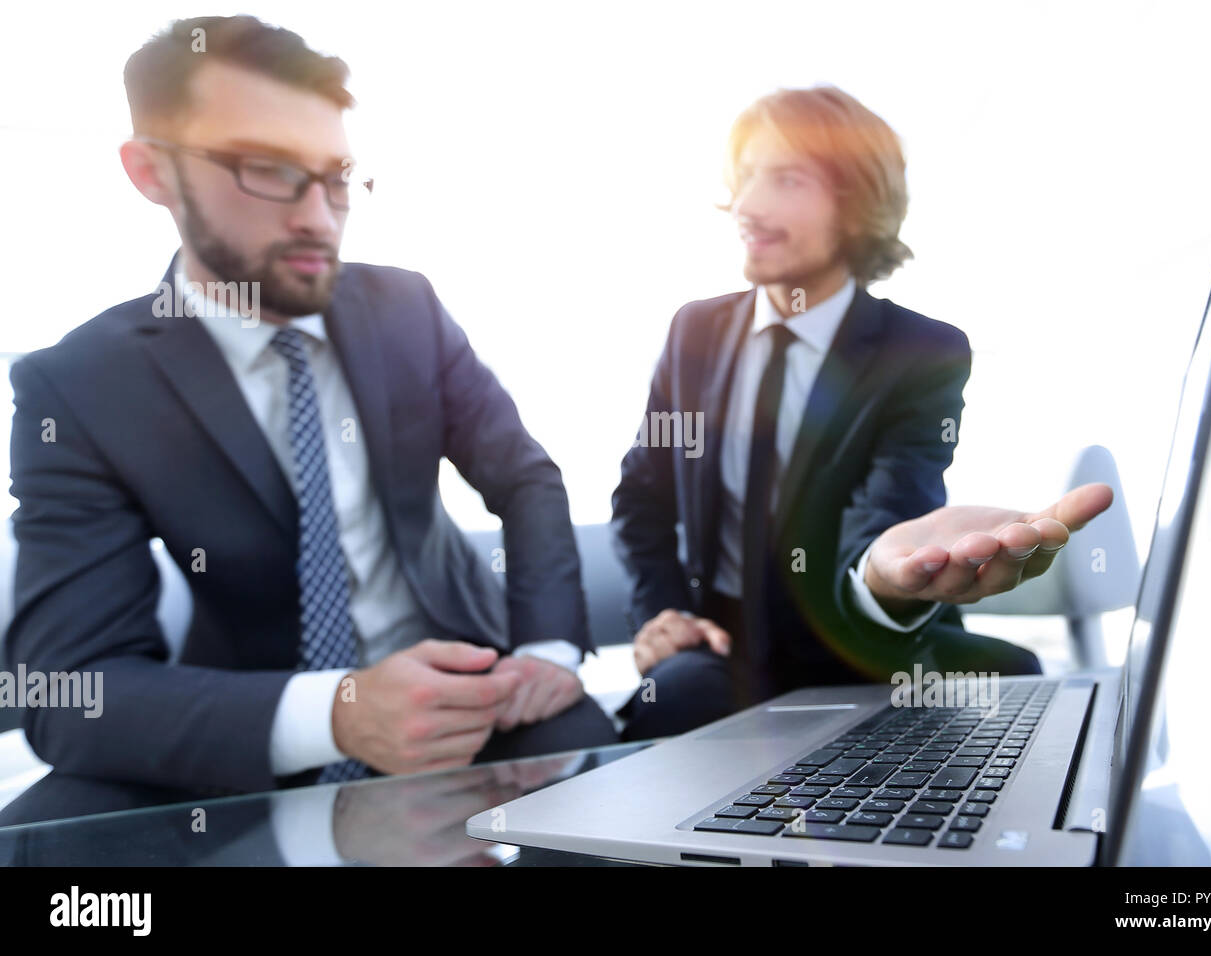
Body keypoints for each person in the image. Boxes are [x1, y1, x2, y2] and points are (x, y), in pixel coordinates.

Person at [0, 15, 615, 827]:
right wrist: (339, 713)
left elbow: (525, 478)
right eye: (268, 169)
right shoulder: (80, 385)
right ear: (150, 170)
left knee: (603, 805)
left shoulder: (408, 309)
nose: (321, 219)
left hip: (477, 693)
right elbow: (70, 690)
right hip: (255, 717)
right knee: (43, 842)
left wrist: (547, 652)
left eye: (336, 177)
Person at [612, 85, 1112, 739]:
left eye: (785, 179)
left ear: (857, 203)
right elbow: (642, 500)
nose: (747, 205)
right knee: (668, 701)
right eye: (746, 178)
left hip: (865, 642)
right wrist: (666, 614)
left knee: (1022, 702)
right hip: (725, 652)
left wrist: (883, 578)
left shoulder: (922, 351)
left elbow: (887, 508)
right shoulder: (695, 333)